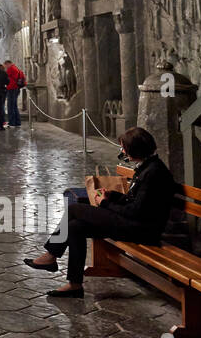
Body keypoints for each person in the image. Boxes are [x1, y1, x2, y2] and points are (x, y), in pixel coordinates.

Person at [25, 127, 176, 297]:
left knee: (75, 209)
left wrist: (105, 203)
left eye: (124, 148)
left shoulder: (154, 173)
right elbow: (137, 201)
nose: (123, 151)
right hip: (134, 223)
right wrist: (112, 195)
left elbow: (136, 211)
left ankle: (51, 255)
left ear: (135, 149)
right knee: (75, 227)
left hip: (141, 230)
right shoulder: (148, 167)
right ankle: (74, 284)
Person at [5, 58, 27, 127]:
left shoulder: (11, 69)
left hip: (12, 89)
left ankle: (12, 122)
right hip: (16, 88)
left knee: (10, 106)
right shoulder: (16, 68)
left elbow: (5, 78)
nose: (5, 67)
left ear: (8, 64)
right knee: (14, 106)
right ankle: (17, 122)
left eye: (5, 66)